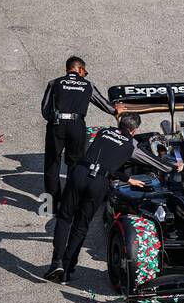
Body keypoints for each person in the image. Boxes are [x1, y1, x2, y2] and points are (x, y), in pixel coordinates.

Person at [46, 113, 181, 282]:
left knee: (64, 218)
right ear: (134, 131)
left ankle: (56, 263)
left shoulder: (103, 132)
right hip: (99, 182)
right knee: (81, 226)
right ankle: (66, 270)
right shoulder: (131, 144)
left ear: (119, 124)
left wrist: (127, 178)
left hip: (80, 173)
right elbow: (153, 162)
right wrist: (174, 167)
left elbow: (100, 159)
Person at [40, 56, 124, 211]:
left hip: (56, 124)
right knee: (75, 165)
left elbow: (45, 110)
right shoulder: (87, 85)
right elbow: (103, 103)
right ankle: (70, 203)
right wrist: (115, 109)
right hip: (76, 125)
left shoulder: (54, 83)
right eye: (85, 72)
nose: (85, 75)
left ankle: (50, 205)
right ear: (79, 69)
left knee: (52, 164)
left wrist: (55, 120)